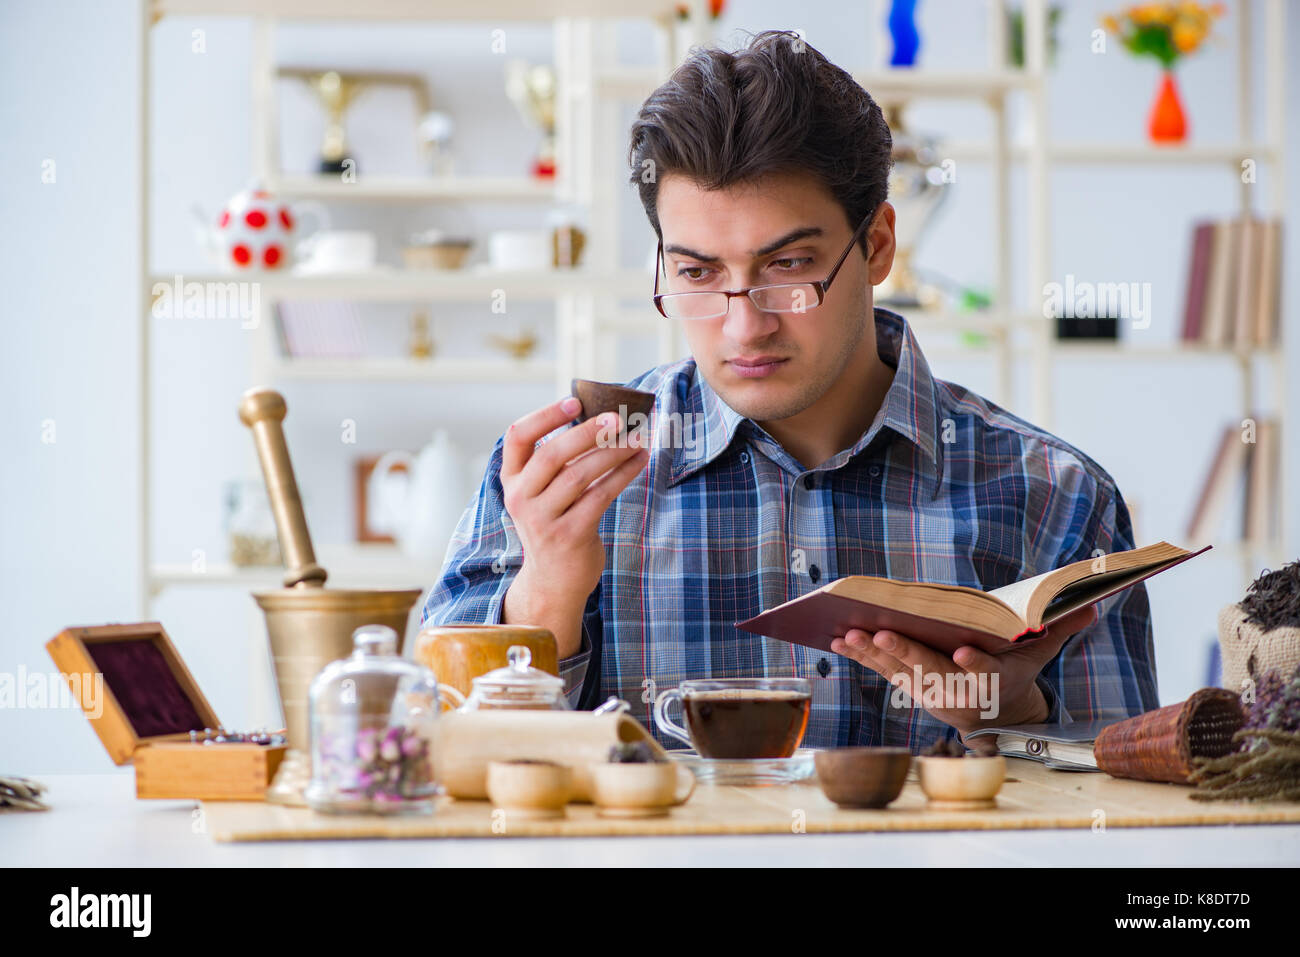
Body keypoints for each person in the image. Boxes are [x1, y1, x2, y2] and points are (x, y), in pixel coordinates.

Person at [422, 30, 1157, 751]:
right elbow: (426, 764)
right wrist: (547, 591)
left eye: (789, 266)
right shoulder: (556, 486)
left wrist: (1011, 714)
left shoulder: (1056, 495)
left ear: (876, 246)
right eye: (698, 274)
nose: (744, 327)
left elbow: (1127, 819)